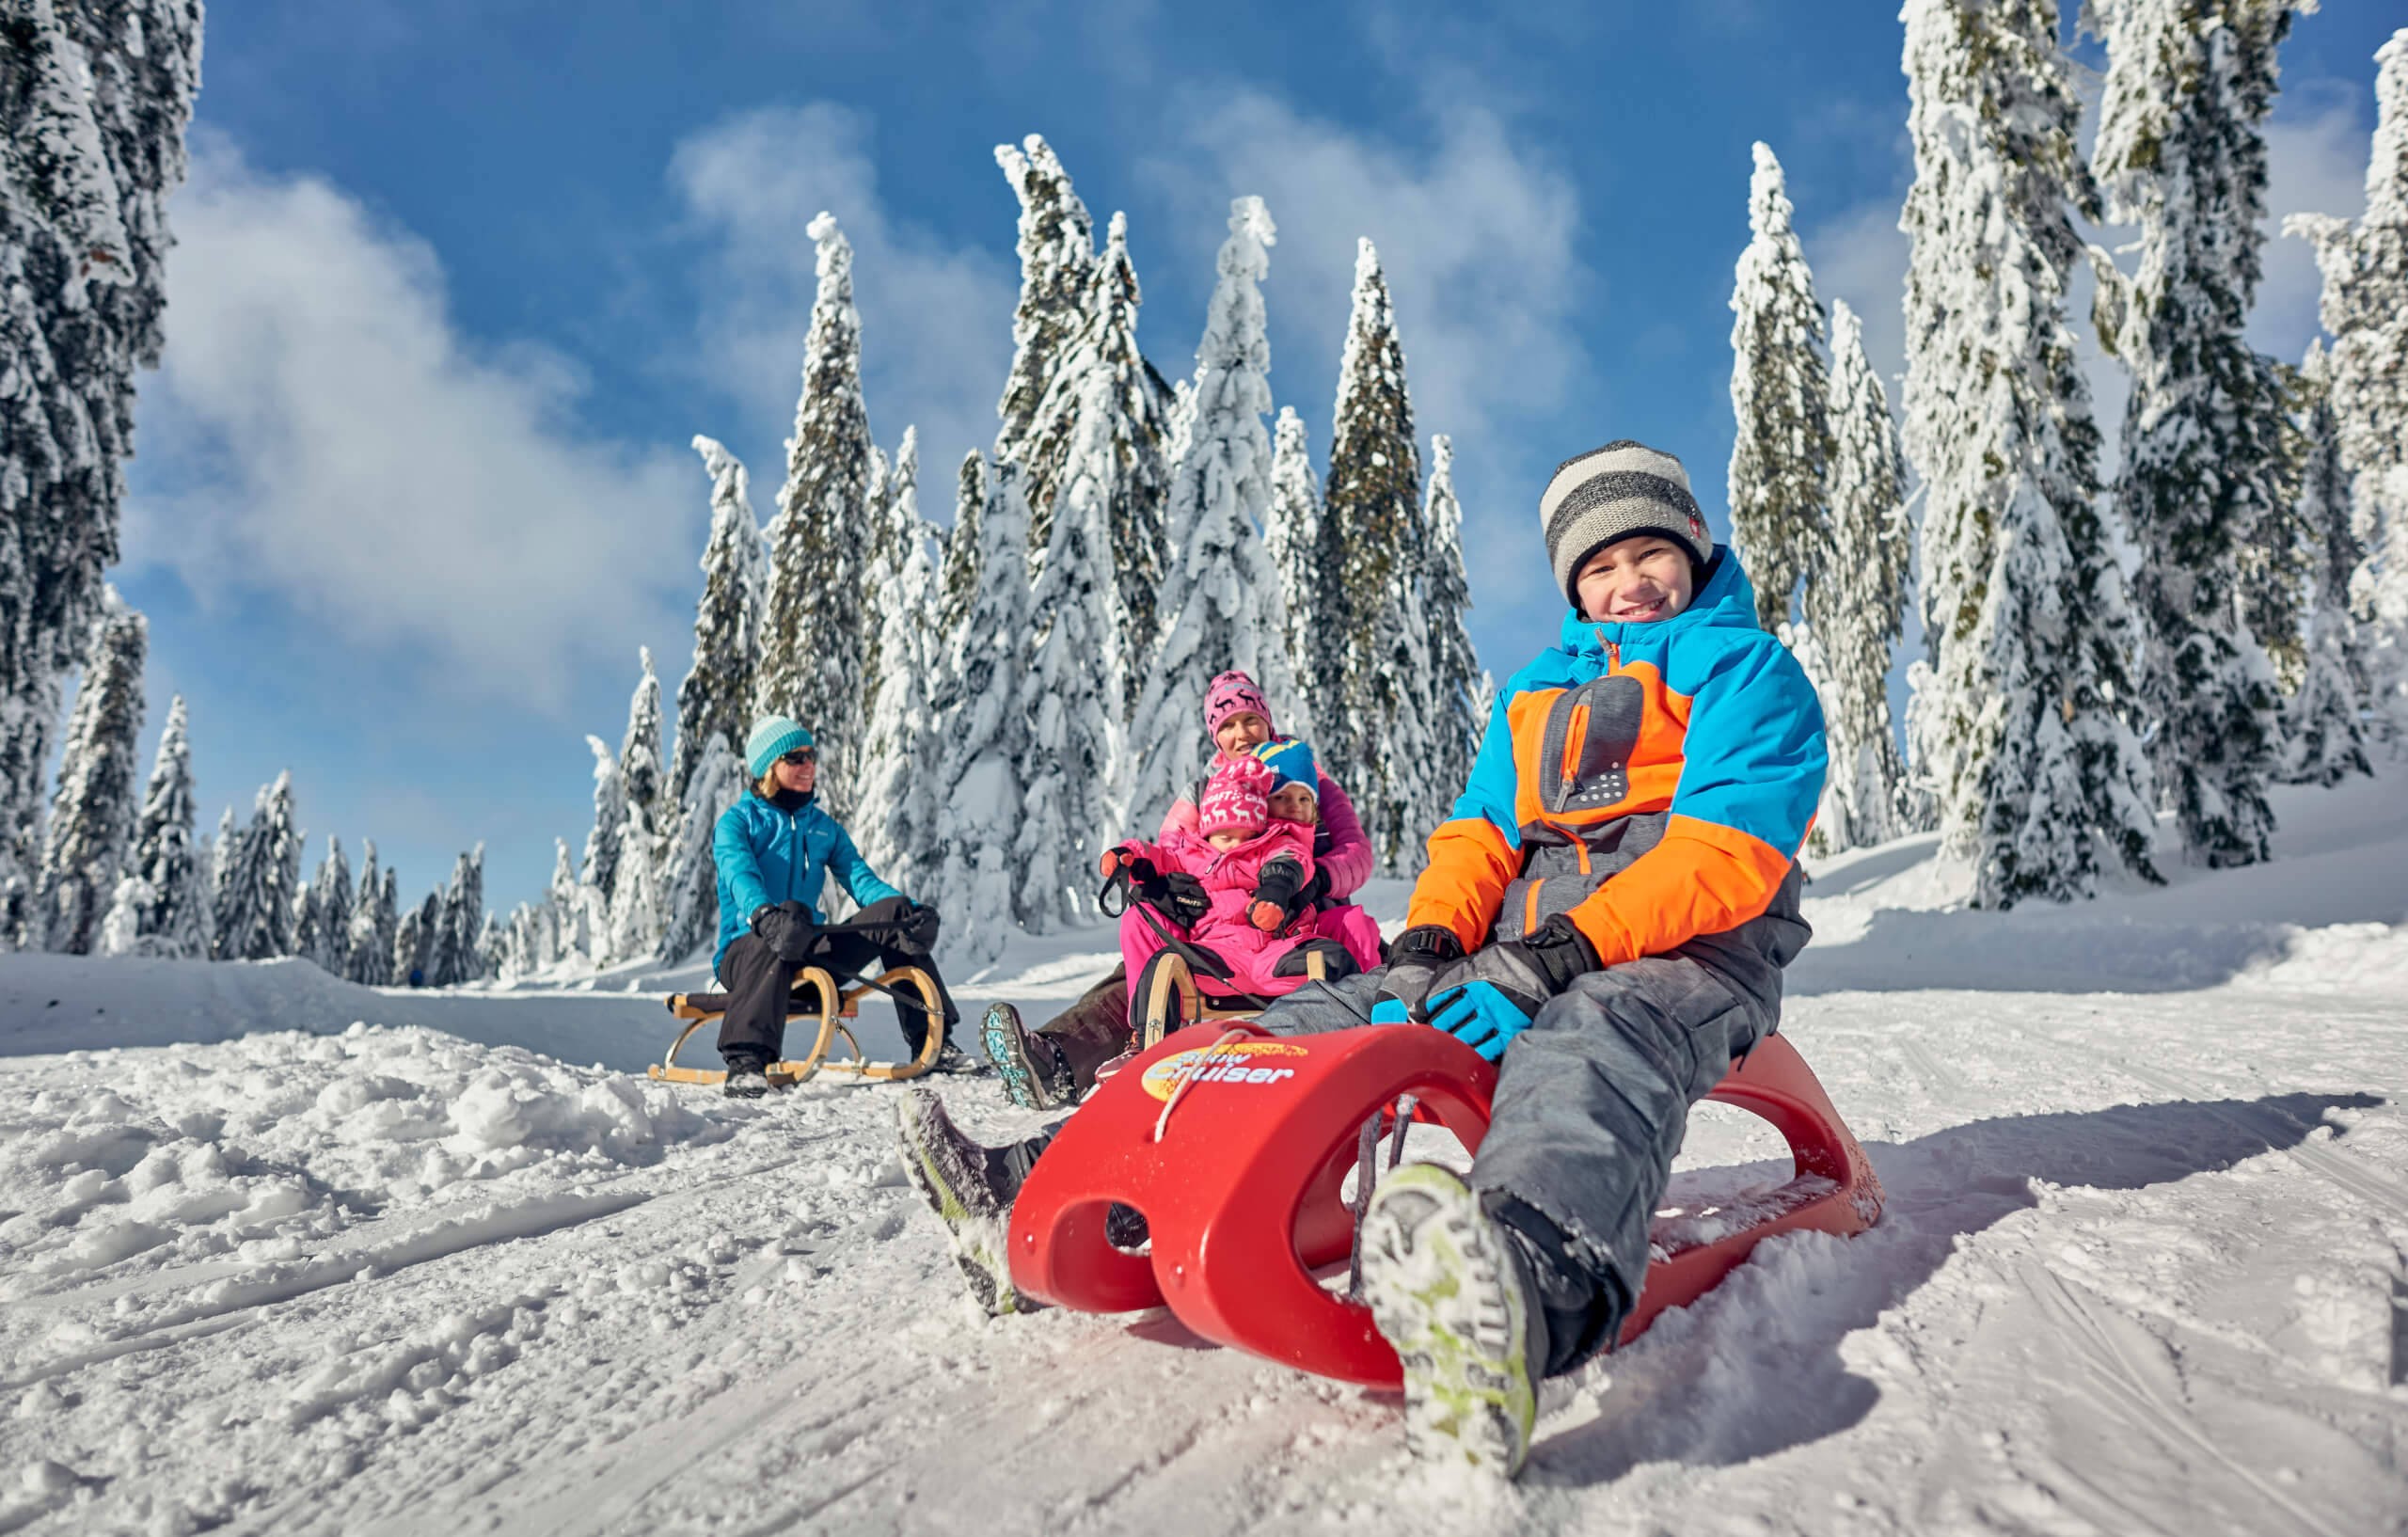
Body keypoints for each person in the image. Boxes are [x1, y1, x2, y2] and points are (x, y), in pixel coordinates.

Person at [898, 439, 1827, 1477]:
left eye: (1647, 553)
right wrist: (1431, 942)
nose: (1626, 583)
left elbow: (1724, 852)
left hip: (1689, 954)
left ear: (1694, 550)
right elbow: (1478, 832)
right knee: (1295, 1027)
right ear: (1572, 582)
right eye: (1598, 567)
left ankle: (1519, 1292)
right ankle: (1046, 1188)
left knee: (1592, 1038)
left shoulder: (1749, 671)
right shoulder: (1539, 689)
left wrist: (1559, 955)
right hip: (1525, 947)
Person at [981, 671, 1376, 1109]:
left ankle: (1378, 1039)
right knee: (1143, 959)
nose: (1240, 733)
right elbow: (1172, 849)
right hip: (1216, 925)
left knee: (1373, 945)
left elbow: (1357, 854)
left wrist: (1313, 880)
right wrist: (1167, 888)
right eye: (1226, 725)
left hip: (1302, 921)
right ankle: (1055, 1062)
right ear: (1214, 734)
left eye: (1249, 720)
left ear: (1267, 721)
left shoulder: (1306, 778)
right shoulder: (1206, 791)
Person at [710, 716, 963, 1098]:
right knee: (790, 913)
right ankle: (747, 1061)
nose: (808, 765)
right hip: (747, 951)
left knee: (893, 913)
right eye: (795, 757)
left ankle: (935, 1043)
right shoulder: (737, 822)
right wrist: (764, 915)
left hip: (805, 948)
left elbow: (861, 881)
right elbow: (740, 876)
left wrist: (912, 912)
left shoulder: (823, 827)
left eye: (811, 756)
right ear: (768, 767)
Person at [1104, 752, 1375, 1008]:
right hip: (1216, 958)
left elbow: (1289, 861)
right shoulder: (1192, 854)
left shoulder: (1272, 845)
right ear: (1208, 833)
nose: (1236, 844)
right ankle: (1147, 1031)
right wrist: (1129, 857)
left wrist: (1275, 891)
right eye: (1226, 837)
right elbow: (1160, 856)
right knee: (1156, 952)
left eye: (1247, 836)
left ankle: (1360, 1016)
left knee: (1334, 957)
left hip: (1275, 952)